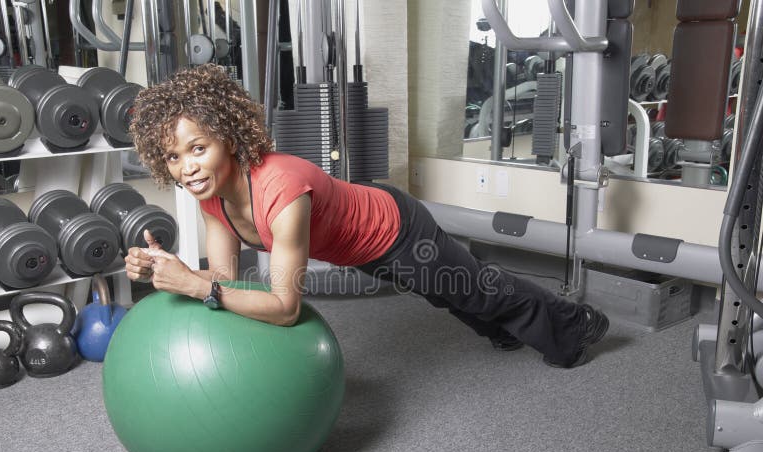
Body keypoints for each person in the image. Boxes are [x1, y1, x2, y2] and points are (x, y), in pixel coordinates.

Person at [124, 63, 609, 368]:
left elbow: (285, 308)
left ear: (228, 139)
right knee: (442, 293)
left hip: (397, 230)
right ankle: (506, 331)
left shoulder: (281, 189)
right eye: (173, 157)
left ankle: (574, 325)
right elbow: (225, 278)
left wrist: (194, 287)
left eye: (198, 148)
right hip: (360, 249)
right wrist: (174, 271)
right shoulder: (211, 197)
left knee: (471, 287)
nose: (187, 168)